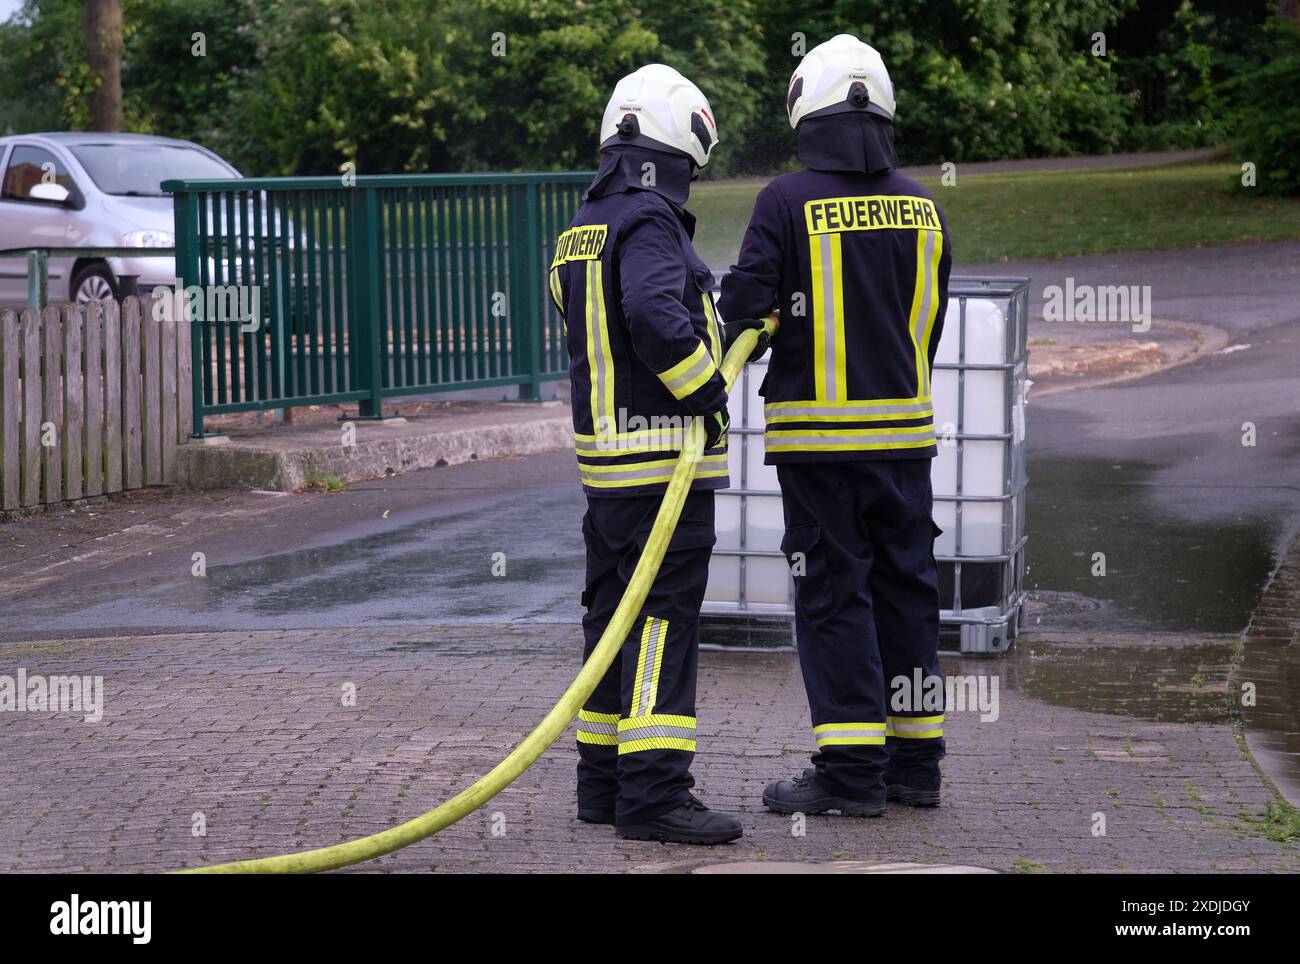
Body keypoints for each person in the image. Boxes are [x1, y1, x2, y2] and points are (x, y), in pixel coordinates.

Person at [718, 34, 952, 816]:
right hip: (907, 444)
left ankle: (850, 774)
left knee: (833, 598)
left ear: (805, 111)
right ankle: (917, 766)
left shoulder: (784, 202)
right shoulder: (925, 206)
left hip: (819, 448)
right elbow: (928, 322)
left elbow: (746, 308)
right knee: (908, 591)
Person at [549, 63, 751, 844]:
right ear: (674, 150)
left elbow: (590, 317)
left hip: (606, 473)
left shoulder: (583, 225)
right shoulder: (652, 223)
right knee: (662, 625)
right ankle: (656, 796)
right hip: (664, 468)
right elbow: (654, 315)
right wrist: (709, 391)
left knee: (609, 624)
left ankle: (601, 785)